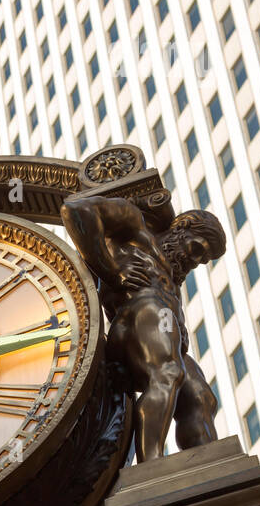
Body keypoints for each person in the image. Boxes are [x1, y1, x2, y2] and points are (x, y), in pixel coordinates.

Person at [60, 194, 226, 461]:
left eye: (201, 260)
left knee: (201, 395)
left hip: (158, 325)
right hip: (135, 320)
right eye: (196, 248)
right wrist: (112, 270)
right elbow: (77, 210)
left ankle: (206, 466)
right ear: (181, 228)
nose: (194, 261)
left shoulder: (171, 279)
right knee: (168, 372)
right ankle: (152, 463)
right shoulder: (136, 230)